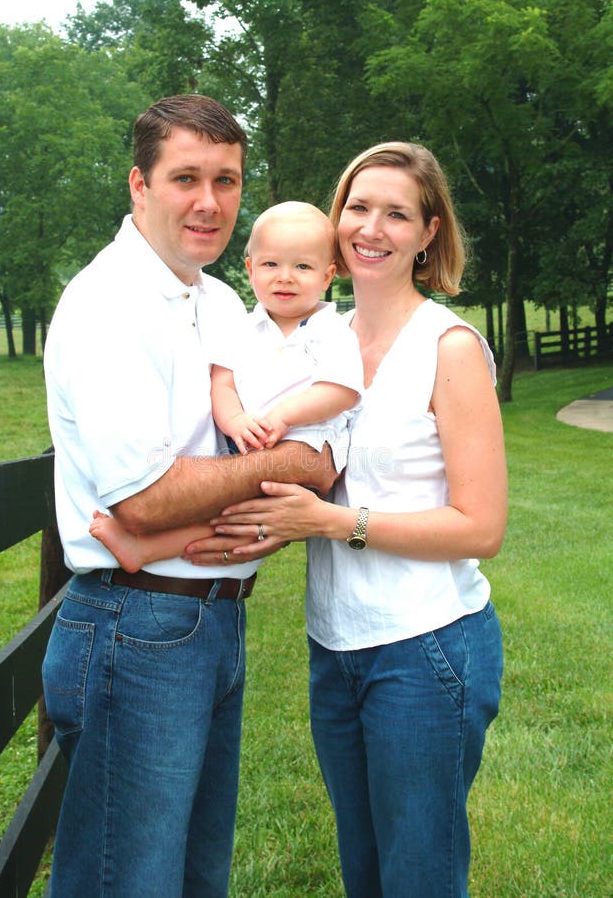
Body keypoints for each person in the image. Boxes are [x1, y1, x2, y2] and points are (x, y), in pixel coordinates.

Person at [41, 94, 336, 898]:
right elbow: (141, 500)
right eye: (185, 178)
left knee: (194, 877)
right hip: (134, 627)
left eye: (227, 180)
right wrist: (302, 469)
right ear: (138, 185)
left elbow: (277, 425)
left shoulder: (211, 299)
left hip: (207, 619)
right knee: (125, 881)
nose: (209, 202)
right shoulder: (109, 305)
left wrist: (283, 503)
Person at [195, 142, 507, 897]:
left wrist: (332, 524)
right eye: (358, 207)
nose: (371, 227)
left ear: (428, 233)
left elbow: (480, 526)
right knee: (363, 872)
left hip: (425, 648)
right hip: (334, 644)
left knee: (419, 873)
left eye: (396, 213)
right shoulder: (309, 337)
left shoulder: (450, 347)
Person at [89, 200, 363, 574]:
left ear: (328, 276)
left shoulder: (330, 330)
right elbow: (223, 382)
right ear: (250, 269)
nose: (285, 277)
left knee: (246, 512)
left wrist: (284, 416)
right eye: (271, 264)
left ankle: (146, 548)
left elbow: (339, 390)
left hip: (309, 440)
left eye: (302, 266)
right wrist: (234, 420)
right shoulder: (241, 327)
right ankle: (143, 547)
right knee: (228, 509)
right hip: (246, 440)